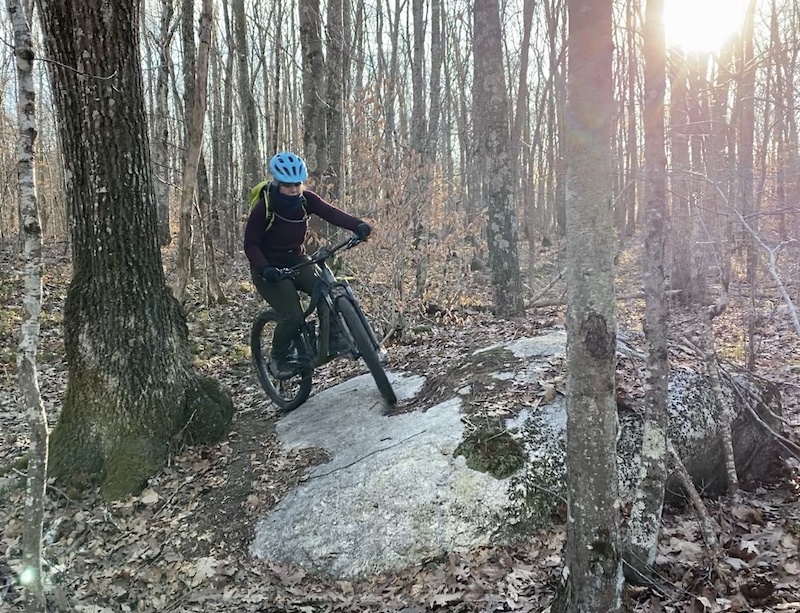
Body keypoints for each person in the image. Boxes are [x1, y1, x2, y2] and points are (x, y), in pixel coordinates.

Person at [244, 151, 372, 378]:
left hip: (296, 259)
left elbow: (331, 213)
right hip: (269, 268)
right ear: (277, 183)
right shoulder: (264, 208)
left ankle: (333, 339)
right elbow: (251, 245)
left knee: (325, 290)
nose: (294, 190)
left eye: (297, 184)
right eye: (287, 185)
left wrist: (357, 225)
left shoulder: (305, 200)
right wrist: (264, 269)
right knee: (292, 314)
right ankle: (277, 358)